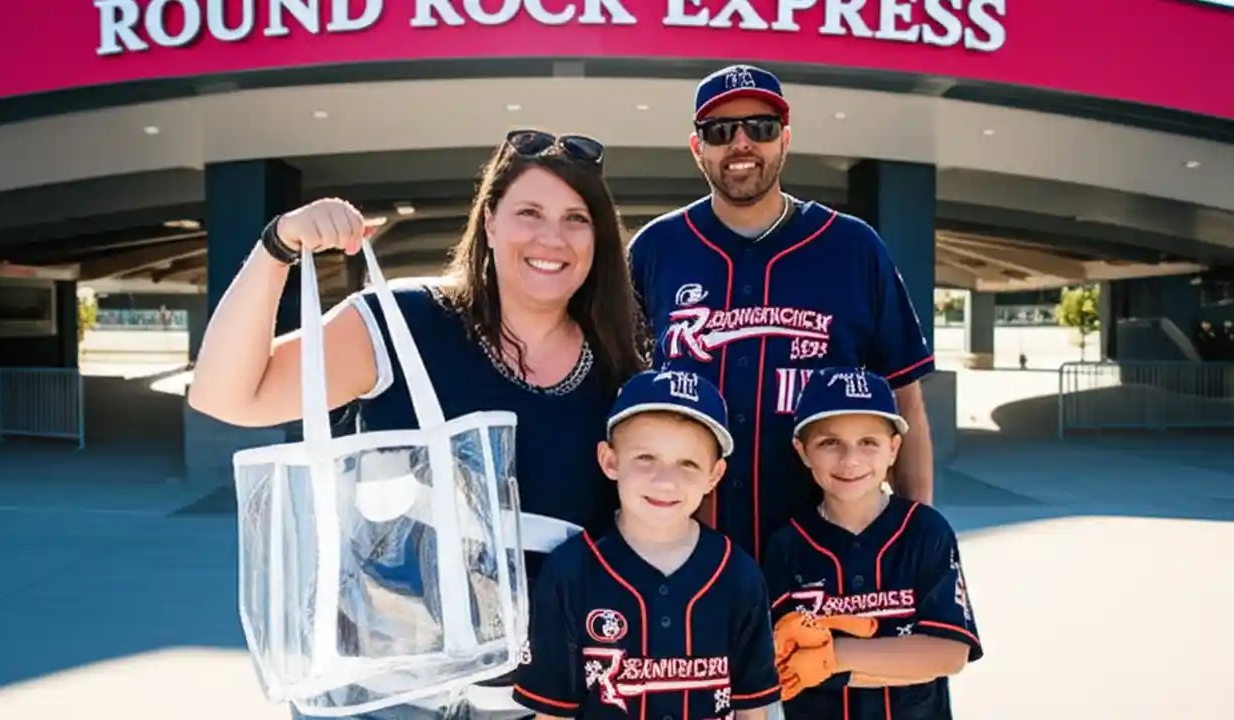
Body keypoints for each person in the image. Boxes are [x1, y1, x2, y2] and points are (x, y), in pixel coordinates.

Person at [187, 129, 646, 717]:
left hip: (536, 701)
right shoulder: (403, 324)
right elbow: (227, 395)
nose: (551, 238)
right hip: (383, 691)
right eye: (528, 212)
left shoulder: (622, 370)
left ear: (598, 238)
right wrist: (277, 247)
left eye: (575, 218)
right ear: (490, 224)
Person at [628, 63, 936, 562]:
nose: (742, 142)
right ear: (697, 148)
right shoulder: (656, 250)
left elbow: (907, 402)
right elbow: (617, 401)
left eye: (762, 128)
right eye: (721, 131)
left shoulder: (852, 246)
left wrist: (917, 539)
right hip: (684, 554)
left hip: (829, 556)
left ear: (785, 140)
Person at [512, 369, 781, 720]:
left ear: (714, 475)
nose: (665, 481)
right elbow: (553, 713)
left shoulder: (738, 575)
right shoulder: (571, 571)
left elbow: (752, 709)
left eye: (688, 463)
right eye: (646, 458)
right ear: (610, 460)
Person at [762, 367, 982, 720]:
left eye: (869, 442)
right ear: (802, 452)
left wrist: (834, 656)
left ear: (894, 448)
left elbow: (949, 654)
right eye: (829, 442)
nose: (850, 460)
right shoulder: (787, 545)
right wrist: (896, 661)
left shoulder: (924, 531)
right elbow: (782, 663)